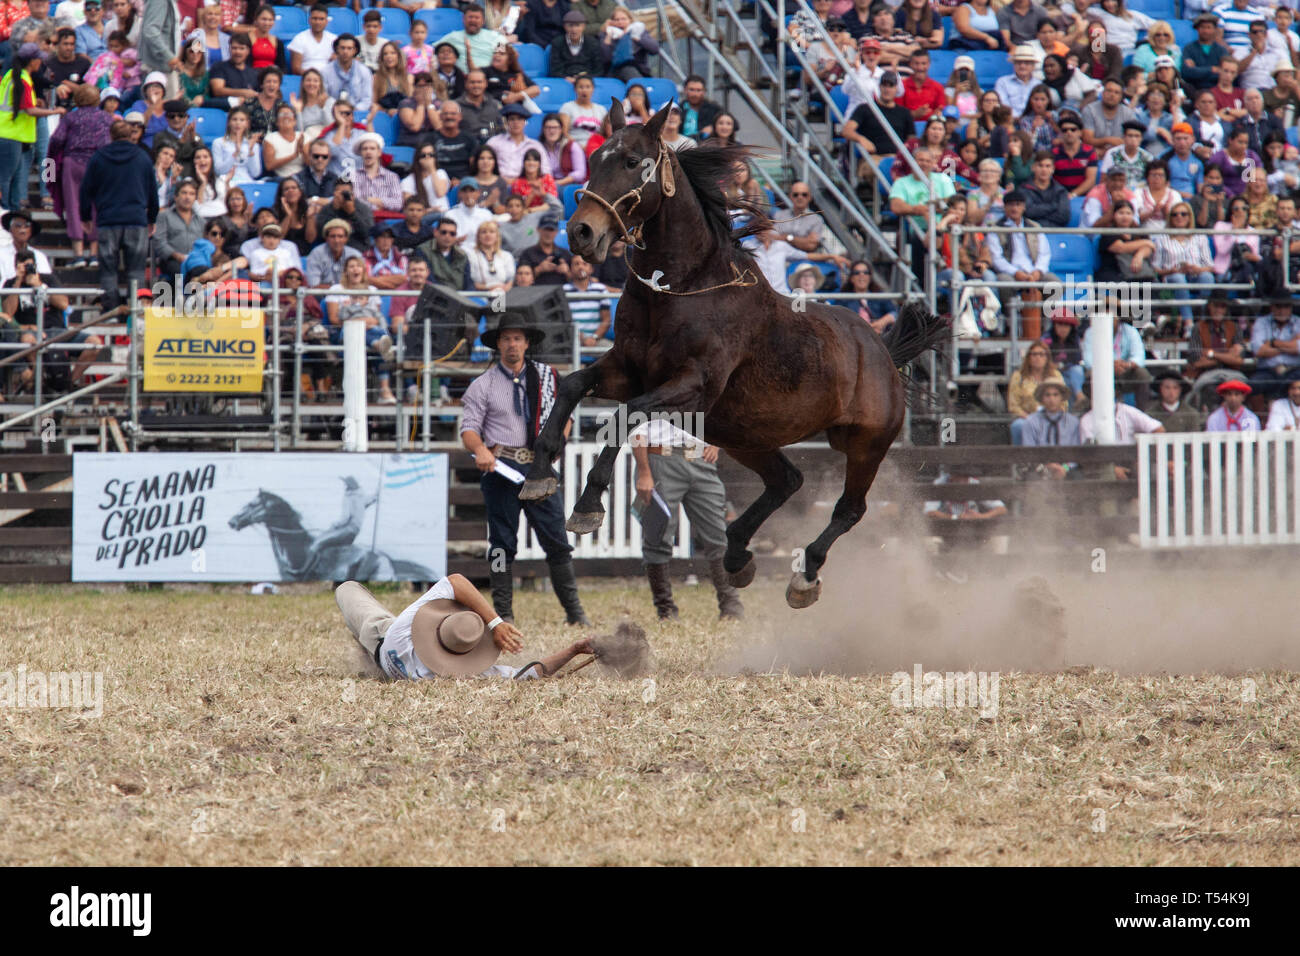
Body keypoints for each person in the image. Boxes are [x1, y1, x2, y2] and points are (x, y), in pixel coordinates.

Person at [460, 311, 590, 626]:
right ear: (498, 345)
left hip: (539, 467)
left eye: (517, 338)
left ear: (527, 343)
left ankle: (575, 614)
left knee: (557, 540)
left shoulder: (549, 378)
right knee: (502, 543)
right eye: (506, 339)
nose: (512, 344)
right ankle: (503, 613)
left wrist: (556, 444)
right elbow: (468, 429)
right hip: (501, 468)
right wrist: (480, 450)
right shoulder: (482, 385)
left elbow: (565, 417)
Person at [334, 574, 594, 682]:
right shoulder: (463, 676)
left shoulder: (406, 627)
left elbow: (456, 581)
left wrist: (496, 623)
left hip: (380, 634)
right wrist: (573, 650)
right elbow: (530, 675)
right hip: (384, 643)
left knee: (347, 590)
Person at [79, 119, 155, 313]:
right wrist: (152, 218)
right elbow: (152, 191)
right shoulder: (142, 157)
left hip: (108, 221)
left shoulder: (98, 157)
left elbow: (86, 189)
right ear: (131, 135)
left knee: (108, 269)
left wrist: (85, 216)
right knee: (136, 270)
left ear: (110, 135)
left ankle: (110, 311)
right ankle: (135, 310)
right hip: (136, 221)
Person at [988, 189, 1056, 338]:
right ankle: (1008, 323)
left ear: (1023, 207)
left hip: (1033, 272)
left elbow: (1045, 254)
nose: (1014, 208)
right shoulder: (995, 228)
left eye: (1018, 204)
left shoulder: (1034, 227)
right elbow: (996, 258)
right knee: (1003, 282)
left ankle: (1045, 325)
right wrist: (1017, 273)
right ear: (1004, 207)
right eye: (1011, 205)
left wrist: (1037, 272)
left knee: (1053, 282)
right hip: (1011, 273)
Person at [1186, 289, 1249, 408]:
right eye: (1216, 306)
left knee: (1239, 389)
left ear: (1226, 309)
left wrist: (1211, 354)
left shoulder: (1234, 328)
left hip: (1232, 374)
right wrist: (1227, 356)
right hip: (1206, 374)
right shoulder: (1198, 328)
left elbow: (1239, 360)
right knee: (1210, 390)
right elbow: (1196, 361)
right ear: (1209, 306)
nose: (1219, 310)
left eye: (1222, 306)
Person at [843, 70, 914, 159]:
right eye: (884, 85)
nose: (887, 89)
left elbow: (911, 139)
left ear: (896, 88)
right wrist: (861, 139)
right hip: (873, 157)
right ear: (879, 87)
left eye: (891, 86)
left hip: (897, 158)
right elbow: (847, 130)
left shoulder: (904, 113)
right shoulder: (865, 109)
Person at [1007, 340, 1066, 444]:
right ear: (1028, 358)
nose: (1037, 358)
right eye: (1034, 354)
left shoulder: (1055, 376)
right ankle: (1022, 459)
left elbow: (1064, 403)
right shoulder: (1018, 376)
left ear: (1047, 358)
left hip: (1051, 417)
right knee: (1018, 426)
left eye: (1041, 355)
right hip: (1026, 417)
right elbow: (1013, 405)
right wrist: (1030, 419)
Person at [1019, 381, 1082, 476]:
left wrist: (1064, 468)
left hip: (1066, 468)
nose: (1052, 399)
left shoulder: (1073, 422)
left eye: (1056, 395)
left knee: (1077, 477)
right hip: (1040, 467)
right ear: (1041, 398)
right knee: (1032, 479)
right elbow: (1029, 451)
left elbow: (1076, 453)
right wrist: (1047, 467)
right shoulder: (1031, 421)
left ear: (1062, 397)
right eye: (1047, 395)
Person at [1249, 296, 1300, 398]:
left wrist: (1273, 343)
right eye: (1278, 306)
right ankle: (1258, 414)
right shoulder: (1261, 322)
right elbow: (1258, 350)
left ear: (1291, 308)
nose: (1282, 311)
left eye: (1286, 306)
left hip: (1294, 370)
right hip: (1268, 370)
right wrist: (1290, 345)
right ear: (1272, 307)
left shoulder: (1298, 322)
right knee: (1251, 386)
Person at [487, 102, 549, 180]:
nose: (516, 123)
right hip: (500, 185)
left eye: (519, 119)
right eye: (512, 119)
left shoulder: (535, 146)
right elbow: (483, 165)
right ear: (506, 122)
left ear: (525, 122)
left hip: (527, 186)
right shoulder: (494, 142)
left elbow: (546, 171)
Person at [1082, 78, 1138, 153]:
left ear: (1121, 97)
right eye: (1109, 91)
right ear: (1102, 93)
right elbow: (1087, 140)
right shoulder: (1090, 110)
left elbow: (1132, 140)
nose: (1112, 95)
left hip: (1120, 154)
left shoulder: (1128, 113)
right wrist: (1108, 140)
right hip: (1094, 154)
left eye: (1116, 92)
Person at [415, 215, 471, 289]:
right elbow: (429, 280)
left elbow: (468, 282)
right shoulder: (423, 251)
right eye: (443, 232)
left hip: (460, 296)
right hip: (436, 296)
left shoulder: (462, 255)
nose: (447, 236)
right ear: (435, 232)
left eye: (452, 234)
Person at [515, 211, 571, 285]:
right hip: (535, 294)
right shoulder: (527, 254)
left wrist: (567, 272)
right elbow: (520, 281)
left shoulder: (565, 254)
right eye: (545, 229)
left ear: (557, 232)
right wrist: (539, 269)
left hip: (561, 293)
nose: (548, 233)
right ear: (538, 229)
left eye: (551, 230)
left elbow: (578, 281)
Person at [305, 217, 363, 288]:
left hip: (350, 296)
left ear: (346, 238)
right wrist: (337, 290)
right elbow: (313, 285)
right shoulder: (316, 254)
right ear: (326, 238)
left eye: (340, 236)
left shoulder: (355, 255)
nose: (336, 240)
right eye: (333, 236)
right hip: (322, 296)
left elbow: (362, 282)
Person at [430, 100, 478, 183]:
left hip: (466, 183)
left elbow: (474, 167)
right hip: (437, 181)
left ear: (460, 117)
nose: (449, 117)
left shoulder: (469, 139)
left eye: (453, 114)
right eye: (446, 114)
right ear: (440, 116)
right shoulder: (430, 139)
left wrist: (462, 182)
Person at [1020, 151, 1070, 226]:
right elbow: (1028, 212)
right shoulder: (1023, 189)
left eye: (1048, 166)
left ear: (1053, 169)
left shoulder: (1061, 191)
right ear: (1033, 167)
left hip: (1055, 233)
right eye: (1040, 165)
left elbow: (1064, 216)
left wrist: (1038, 216)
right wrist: (1053, 206)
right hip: (1032, 232)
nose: (1044, 170)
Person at [467, 218, 515, 293]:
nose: (488, 235)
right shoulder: (471, 256)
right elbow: (470, 282)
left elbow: (510, 280)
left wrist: (504, 289)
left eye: (492, 232)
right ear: (478, 237)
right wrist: (489, 288)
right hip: (480, 295)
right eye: (484, 232)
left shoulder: (507, 256)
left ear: (497, 236)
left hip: (504, 294)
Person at [289, 4, 336, 76]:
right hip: (307, 79)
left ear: (326, 21)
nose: (318, 22)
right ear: (309, 20)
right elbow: (296, 68)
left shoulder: (334, 39)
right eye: (315, 18)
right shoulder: (299, 38)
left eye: (321, 19)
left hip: (329, 78)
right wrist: (314, 77)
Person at [456, 68, 501, 143]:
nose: (476, 85)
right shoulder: (456, 106)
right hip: (466, 146)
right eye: (472, 82)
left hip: (492, 147)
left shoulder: (496, 104)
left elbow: (502, 128)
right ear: (466, 84)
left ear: (486, 84)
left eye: (479, 82)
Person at [994, 45, 1040, 116]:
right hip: (1008, 119)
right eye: (1019, 62)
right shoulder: (1003, 82)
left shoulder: (1038, 84)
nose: (1022, 66)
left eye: (1027, 63)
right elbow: (1002, 104)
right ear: (1014, 64)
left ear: (1033, 66)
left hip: (1032, 120)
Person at [679, 72, 721, 141]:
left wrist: (714, 127)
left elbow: (734, 125)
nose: (695, 94)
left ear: (704, 91)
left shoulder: (714, 108)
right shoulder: (678, 109)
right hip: (682, 147)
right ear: (685, 90)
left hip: (706, 147)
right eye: (691, 89)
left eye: (698, 90)